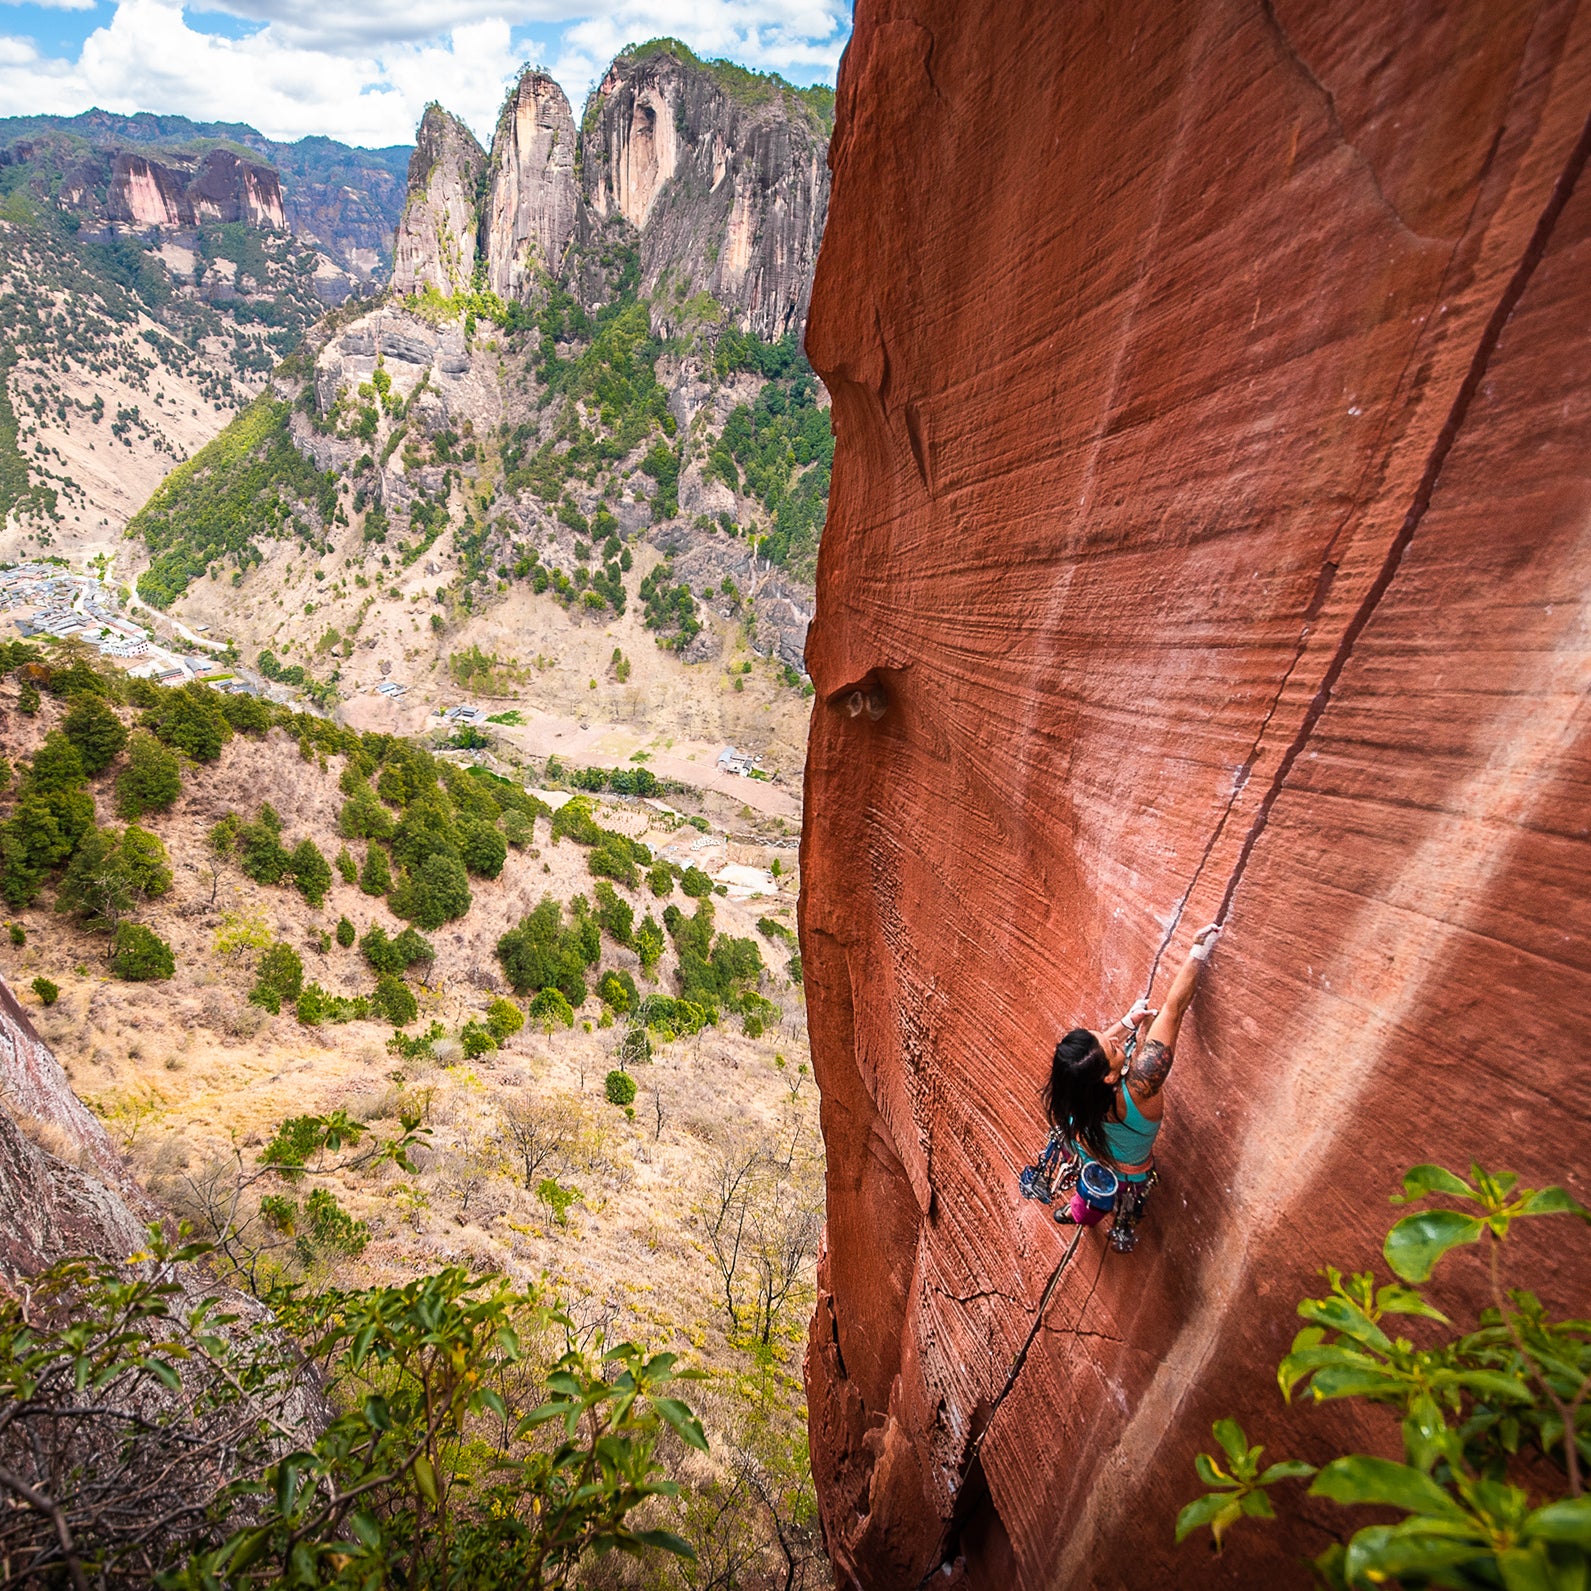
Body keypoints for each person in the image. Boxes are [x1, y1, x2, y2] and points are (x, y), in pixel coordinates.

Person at [1036, 922, 1221, 1250]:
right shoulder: (1139, 1087)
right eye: (1112, 1047)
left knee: (1090, 1196)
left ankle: (1079, 1212)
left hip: (1086, 1158)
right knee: (1119, 1203)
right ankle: (1111, 1221)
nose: (1113, 1039)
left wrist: (1125, 1025)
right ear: (1108, 1077)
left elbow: (1089, 1060)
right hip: (1127, 1177)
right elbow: (1174, 1011)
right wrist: (1198, 950)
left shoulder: (1072, 1090)